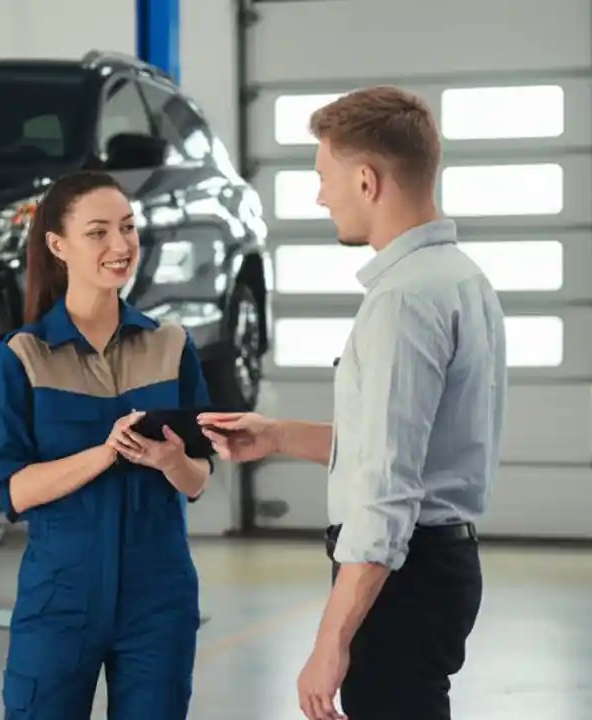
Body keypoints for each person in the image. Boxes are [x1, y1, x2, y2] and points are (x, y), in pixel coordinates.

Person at [199, 86, 507, 720]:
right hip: (436, 564)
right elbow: (408, 445)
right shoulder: (461, 280)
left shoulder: (403, 301)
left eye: (323, 177)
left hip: (401, 576)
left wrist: (329, 639)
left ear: (366, 181)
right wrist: (279, 436)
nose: (319, 196)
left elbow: (389, 487)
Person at [0, 170, 213, 719]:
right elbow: (13, 490)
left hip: (157, 596)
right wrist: (104, 453)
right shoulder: (24, 356)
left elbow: (200, 477)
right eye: (99, 232)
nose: (120, 245)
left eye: (128, 228)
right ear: (58, 245)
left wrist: (172, 460)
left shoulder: (171, 345)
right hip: (60, 596)